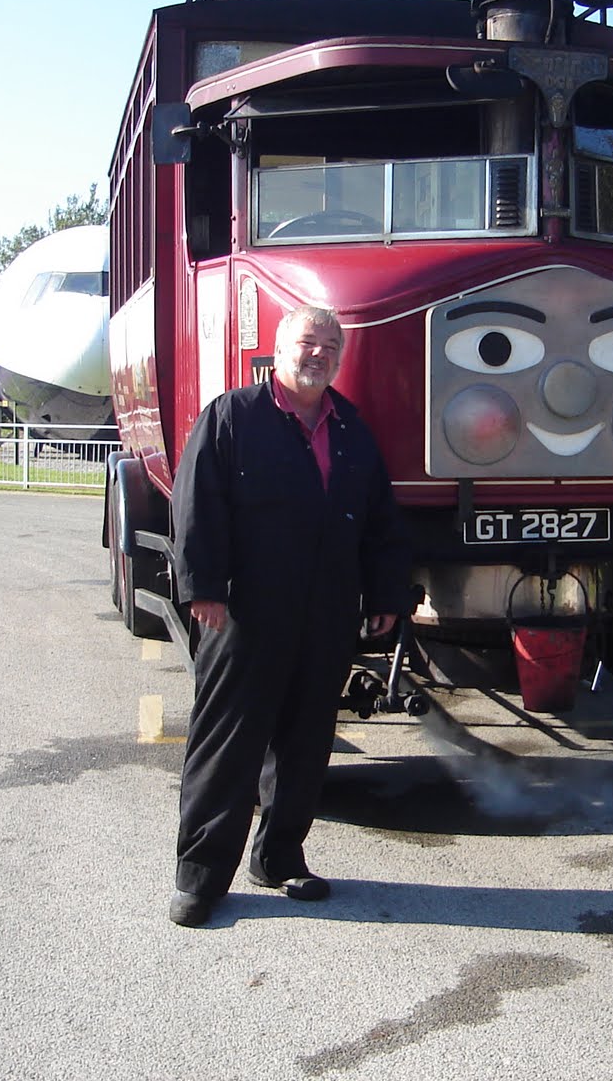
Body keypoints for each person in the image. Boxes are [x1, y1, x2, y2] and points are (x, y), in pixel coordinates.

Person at [166, 305, 411, 927]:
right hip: (243, 612)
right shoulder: (232, 417)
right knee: (228, 744)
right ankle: (200, 878)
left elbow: (380, 523)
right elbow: (197, 510)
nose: (320, 353)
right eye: (309, 341)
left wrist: (385, 598)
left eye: (332, 345)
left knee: (305, 744)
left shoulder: (351, 428)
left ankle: (279, 858)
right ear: (279, 347)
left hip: (326, 611)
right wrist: (204, 589)